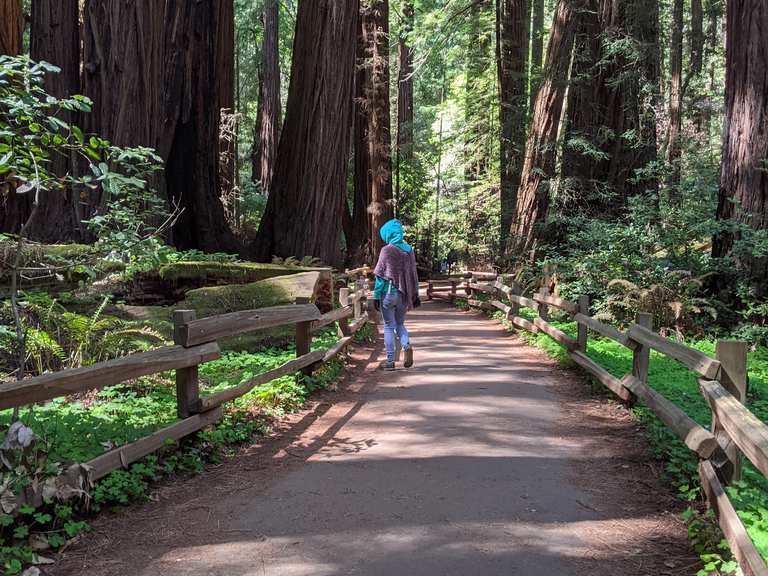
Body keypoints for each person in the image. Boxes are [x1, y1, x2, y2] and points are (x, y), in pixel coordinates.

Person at [372, 219, 421, 371]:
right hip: (403, 295)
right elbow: (413, 274)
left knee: (388, 326)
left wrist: (376, 295)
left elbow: (380, 276)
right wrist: (415, 294)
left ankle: (390, 361)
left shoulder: (386, 250)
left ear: (388, 234)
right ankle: (406, 345)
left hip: (388, 294)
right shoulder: (409, 250)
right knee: (400, 324)